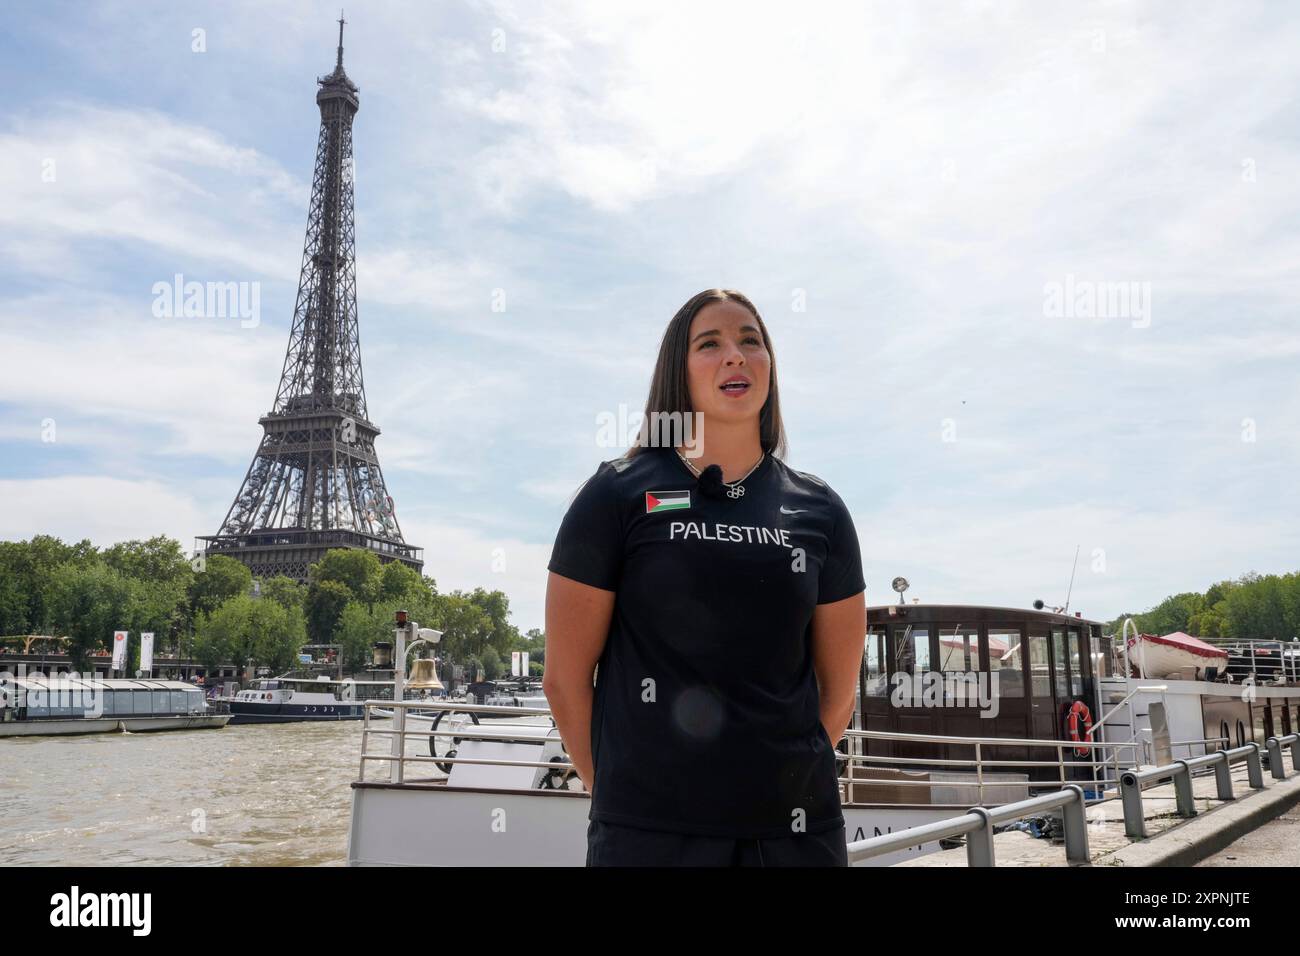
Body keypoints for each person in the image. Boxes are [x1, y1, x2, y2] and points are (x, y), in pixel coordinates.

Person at [544, 289, 866, 867]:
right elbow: (565, 680)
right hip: (650, 837)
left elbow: (838, 692)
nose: (735, 356)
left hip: (796, 836)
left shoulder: (821, 510)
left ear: (770, 365)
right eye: (709, 344)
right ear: (679, 370)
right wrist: (620, 799)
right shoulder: (616, 495)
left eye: (751, 341)